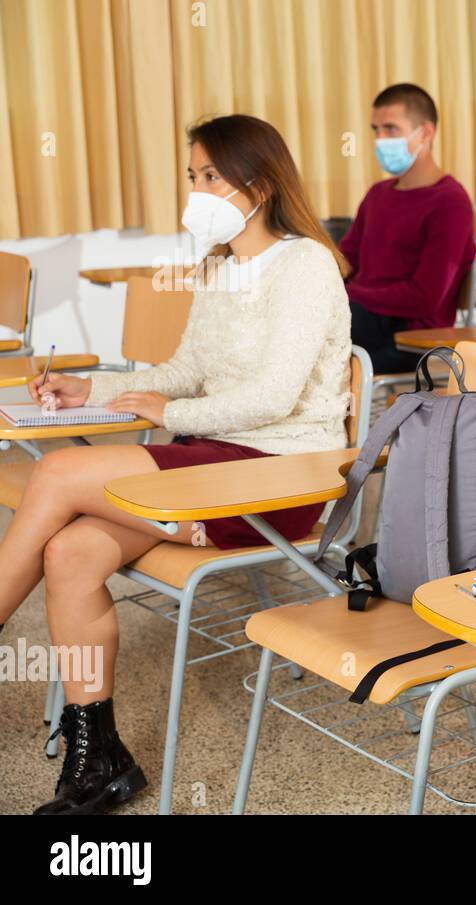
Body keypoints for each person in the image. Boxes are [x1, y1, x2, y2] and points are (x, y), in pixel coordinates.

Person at [1, 114, 352, 814]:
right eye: (193, 176)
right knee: (70, 551)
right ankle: (98, 759)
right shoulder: (220, 266)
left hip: (282, 475)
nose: (196, 189)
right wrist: (90, 390)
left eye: (210, 176)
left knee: (56, 475)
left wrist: (172, 416)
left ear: (258, 182)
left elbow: (275, 396)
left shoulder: (307, 264)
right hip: (214, 461)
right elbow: (186, 368)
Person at [341, 83, 476, 373]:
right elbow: (345, 260)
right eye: (375, 130)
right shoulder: (378, 193)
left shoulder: (451, 202)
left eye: (391, 129)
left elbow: (425, 298)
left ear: (425, 132)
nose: (380, 139)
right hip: (364, 319)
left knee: (315, 351)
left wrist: (351, 294)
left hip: (409, 338)